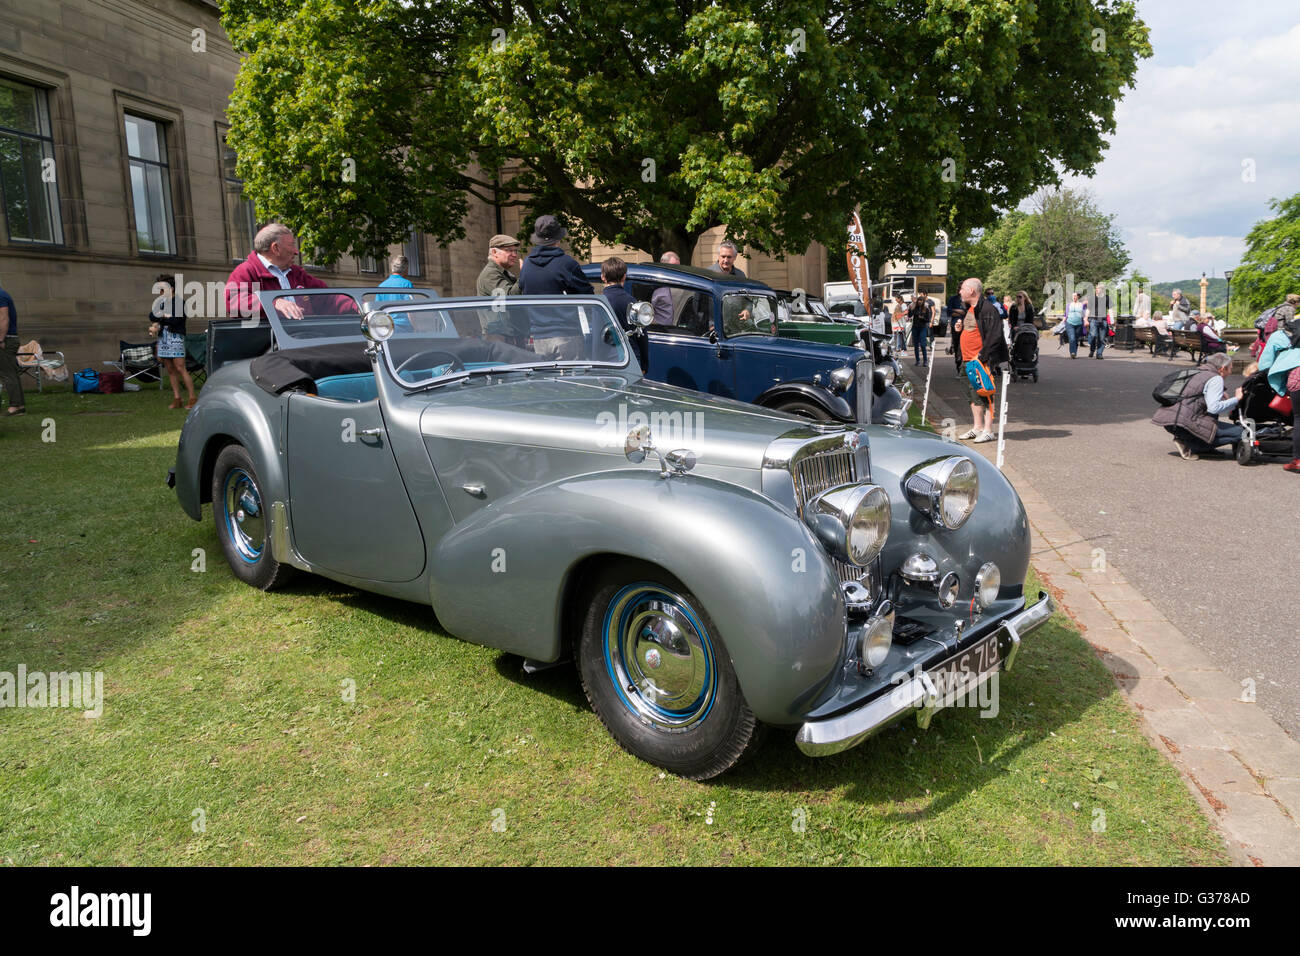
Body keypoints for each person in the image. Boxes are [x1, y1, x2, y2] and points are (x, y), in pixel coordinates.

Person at [517, 214, 594, 360]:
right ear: (558, 239)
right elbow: (588, 295)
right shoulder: (566, 263)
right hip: (567, 335)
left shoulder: (526, 266)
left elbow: (522, 291)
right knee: (573, 381)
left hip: (538, 337)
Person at [224, 223, 330, 321]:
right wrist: (273, 302)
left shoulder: (297, 273)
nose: (296, 251)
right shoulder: (246, 271)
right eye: (291, 245)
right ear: (275, 248)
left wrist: (346, 300)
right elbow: (234, 304)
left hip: (306, 336)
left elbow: (329, 299)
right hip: (268, 339)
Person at [1151, 352, 1243, 460]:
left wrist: (1221, 395)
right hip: (1186, 423)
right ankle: (1191, 445)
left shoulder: (1195, 371)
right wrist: (1237, 398)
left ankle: (1198, 445)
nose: (1230, 372)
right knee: (1242, 433)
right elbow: (1214, 408)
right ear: (1222, 368)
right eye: (1230, 369)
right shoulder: (1216, 379)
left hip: (1170, 420)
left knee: (1216, 424)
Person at [149, 274, 195, 409]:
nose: (160, 292)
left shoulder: (180, 302)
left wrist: (162, 316)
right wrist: (164, 315)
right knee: (169, 369)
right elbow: (151, 315)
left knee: (180, 367)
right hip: (163, 338)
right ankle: (177, 398)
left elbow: (175, 320)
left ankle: (192, 398)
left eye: (162, 289)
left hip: (176, 337)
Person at [477, 235, 528, 346]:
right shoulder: (490, 274)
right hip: (500, 339)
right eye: (509, 250)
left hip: (508, 338)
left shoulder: (503, 273)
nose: (514, 255)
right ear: (494, 252)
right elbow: (510, 296)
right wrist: (524, 275)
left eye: (515, 251)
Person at [953, 314, 994, 443]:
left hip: (978, 361)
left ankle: (988, 430)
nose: (960, 292)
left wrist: (983, 356)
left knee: (986, 393)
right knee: (971, 395)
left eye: (962, 291)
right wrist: (959, 329)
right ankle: (978, 427)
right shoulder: (968, 309)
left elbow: (992, 334)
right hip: (967, 360)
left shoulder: (984, 310)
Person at [1, 276, 23, 416]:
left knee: (7, 374)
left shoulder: (0, 296)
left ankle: (15, 407)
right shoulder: (3, 294)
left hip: (6, 340)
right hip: (8, 339)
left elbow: (3, 318)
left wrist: (0, 339)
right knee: (12, 374)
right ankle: (19, 405)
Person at [651, 251, 681, 326]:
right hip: (660, 331)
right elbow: (646, 313)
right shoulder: (653, 285)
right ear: (664, 266)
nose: (677, 270)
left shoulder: (682, 284)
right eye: (674, 267)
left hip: (680, 331)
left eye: (678, 267)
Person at [1085, 284, 1107, 359]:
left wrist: (1112, 320)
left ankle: (1099, 353)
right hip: (1093, 319)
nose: (1096, 289)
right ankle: (1092, 349)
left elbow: (1110, 309)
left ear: (1102, 290)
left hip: (1103, 320)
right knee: (1093, 335)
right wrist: (1085, 319)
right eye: (1096, 288)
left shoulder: (1107, 298)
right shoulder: (1091, 298)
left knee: (1102, 338)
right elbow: (1088, 309)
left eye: (1098, 288)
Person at [909, 293, 931, 366]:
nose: (919, 302)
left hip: (922, 328)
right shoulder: (914, 308)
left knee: (923, 345)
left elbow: (928, 320)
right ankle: (917, 361)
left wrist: (923, 318)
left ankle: (925, 361)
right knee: (916, 345)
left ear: (923, 301)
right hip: (915, 328)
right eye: (919, 300)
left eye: (921, 300)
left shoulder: (926, 309)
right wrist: (910, 309)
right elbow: (909, 315)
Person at [1064, 290, 1087, 358]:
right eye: (1073, 296)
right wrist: (1062, 322)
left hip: (1079, 324)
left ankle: (1074, 352)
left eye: (1075, 296)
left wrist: (1085, 321)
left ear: (1078, 297)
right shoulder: (1068, 305)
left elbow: (1085, 314)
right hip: (1069, 323)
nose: (1074, 297)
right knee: (1072, 338)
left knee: (1076, 339)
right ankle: (1072, 352)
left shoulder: (1082, 305)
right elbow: (1066, 315)